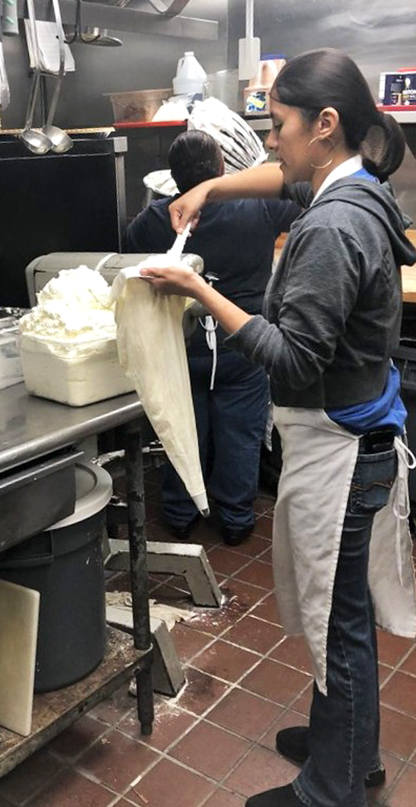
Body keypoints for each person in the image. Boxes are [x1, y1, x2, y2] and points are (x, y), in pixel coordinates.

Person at [139, 49, 416, 807]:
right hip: (357, 436)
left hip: (344, 448)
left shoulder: (331, 228)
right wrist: (209, 186)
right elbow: (282, 177)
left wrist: (198, 289)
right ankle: (349, 747)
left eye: (281, 127)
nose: (273, 143)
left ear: (326, 125)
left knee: (338, 624)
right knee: (343, 614)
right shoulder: (355, 183)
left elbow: (292, 360)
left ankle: (335, 788)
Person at [125, 130, 300, 545]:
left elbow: (130, 259)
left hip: (181, 346)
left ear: (173, 176)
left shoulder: (154, 220)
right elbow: (303, 196)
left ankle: (180, 513)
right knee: (240, 434)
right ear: (222, 169)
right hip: (242, 342)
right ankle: (237, 519)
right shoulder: (258, 208)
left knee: (181, 429)